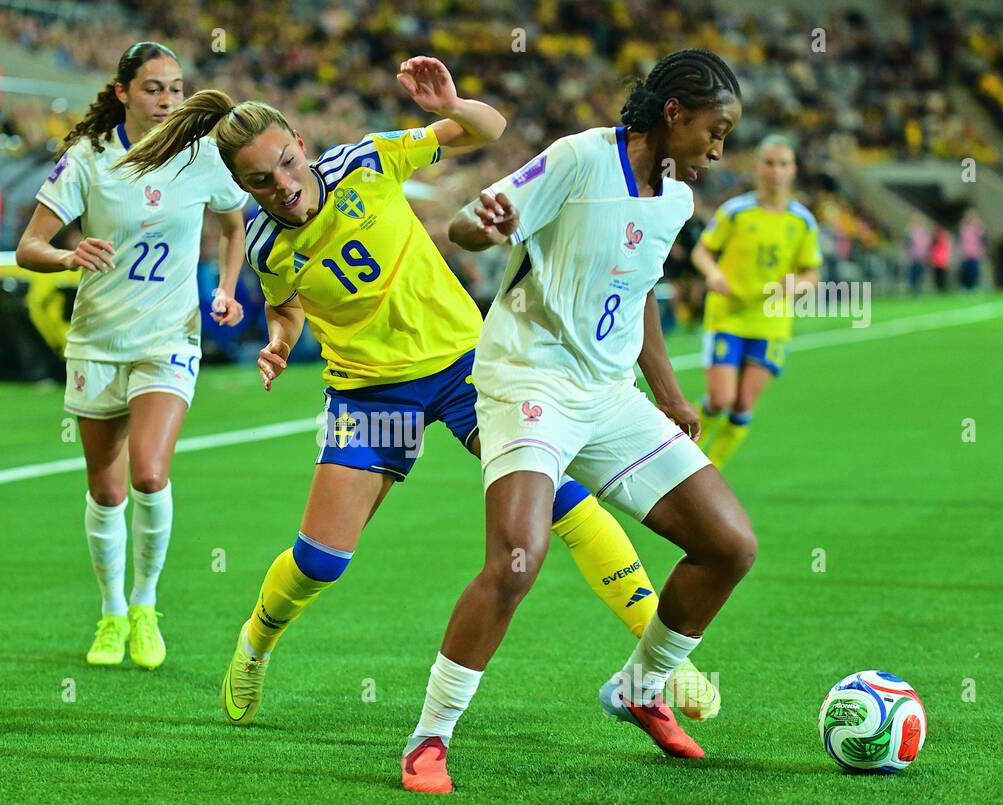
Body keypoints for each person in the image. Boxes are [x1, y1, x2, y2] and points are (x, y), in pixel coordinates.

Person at [118, 55, 718, 728]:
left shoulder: (368, 163)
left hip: (469, 366)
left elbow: (489, 129)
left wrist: (452, 105)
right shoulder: (265, 247)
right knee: (321, 562)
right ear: (240, 185)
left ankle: (665, 661)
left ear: (302, 147)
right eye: (260, 181)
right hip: (371, 396)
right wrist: (280, 342)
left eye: (286, 163)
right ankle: (255, 643)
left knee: (565, 500)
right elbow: (286, 306)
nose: (283, 186)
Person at [401, 49, 754, 794]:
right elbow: (468, 229)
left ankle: (640, 688)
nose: (720, 147)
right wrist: (486, 224)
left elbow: (640, 294)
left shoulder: (677, 200)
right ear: (674, 114)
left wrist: (669, 392)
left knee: (727, 545)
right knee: (518, 558)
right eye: (714, 130)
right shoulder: (579, 159)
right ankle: (429, 738)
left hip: (609, 393)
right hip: (527, 379)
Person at [16, 41, 248, 669]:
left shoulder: (202, 154)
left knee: (149, 472)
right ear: (122, 92)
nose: (167, 99)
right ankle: (111, 612)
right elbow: (28, 247)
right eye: (152, 88)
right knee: (107, 487)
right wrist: (69, 255)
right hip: (96, 340)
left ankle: (145, 606)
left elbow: (235, 225)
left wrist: (225, 290)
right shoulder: (87, 158)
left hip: (170, 338)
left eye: (174, 88)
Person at [690, 134, 822, 470]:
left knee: (743, 403)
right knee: (720, 400)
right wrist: (713, 274)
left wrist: (798, 284)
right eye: (769, 163)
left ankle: (710, 472)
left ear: (793, 170)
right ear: (757, 167)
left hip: (771, 321)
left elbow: (812, 274)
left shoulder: (803, 221)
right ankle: (681, 453)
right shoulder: (736, 212)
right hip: (728, 316)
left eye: (783, 164)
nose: (775, 171)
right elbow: (701, 251)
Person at [957, 208, 985, 291]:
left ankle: (974, 287)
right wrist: (960, 252)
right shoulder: (962, 228)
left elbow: (982, 237)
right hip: (965, 253)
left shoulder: (977, 227)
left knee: (974, 271)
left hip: (974, 253)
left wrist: (978, 223)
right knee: (965, 271)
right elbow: (960, 240)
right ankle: (965, 287)